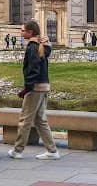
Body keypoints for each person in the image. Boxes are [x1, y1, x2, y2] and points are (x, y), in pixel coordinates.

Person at [8, 19, 59, 160]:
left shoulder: (32, 47)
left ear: (30, 32)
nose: (21, 32)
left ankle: (18, 151)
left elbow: (33, 69)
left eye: (22, 30)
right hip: (44, 86)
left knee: (25, 120)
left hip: (35, 88)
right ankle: (52, 151)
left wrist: (27, 89)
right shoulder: (41, 45)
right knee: (40, 120)